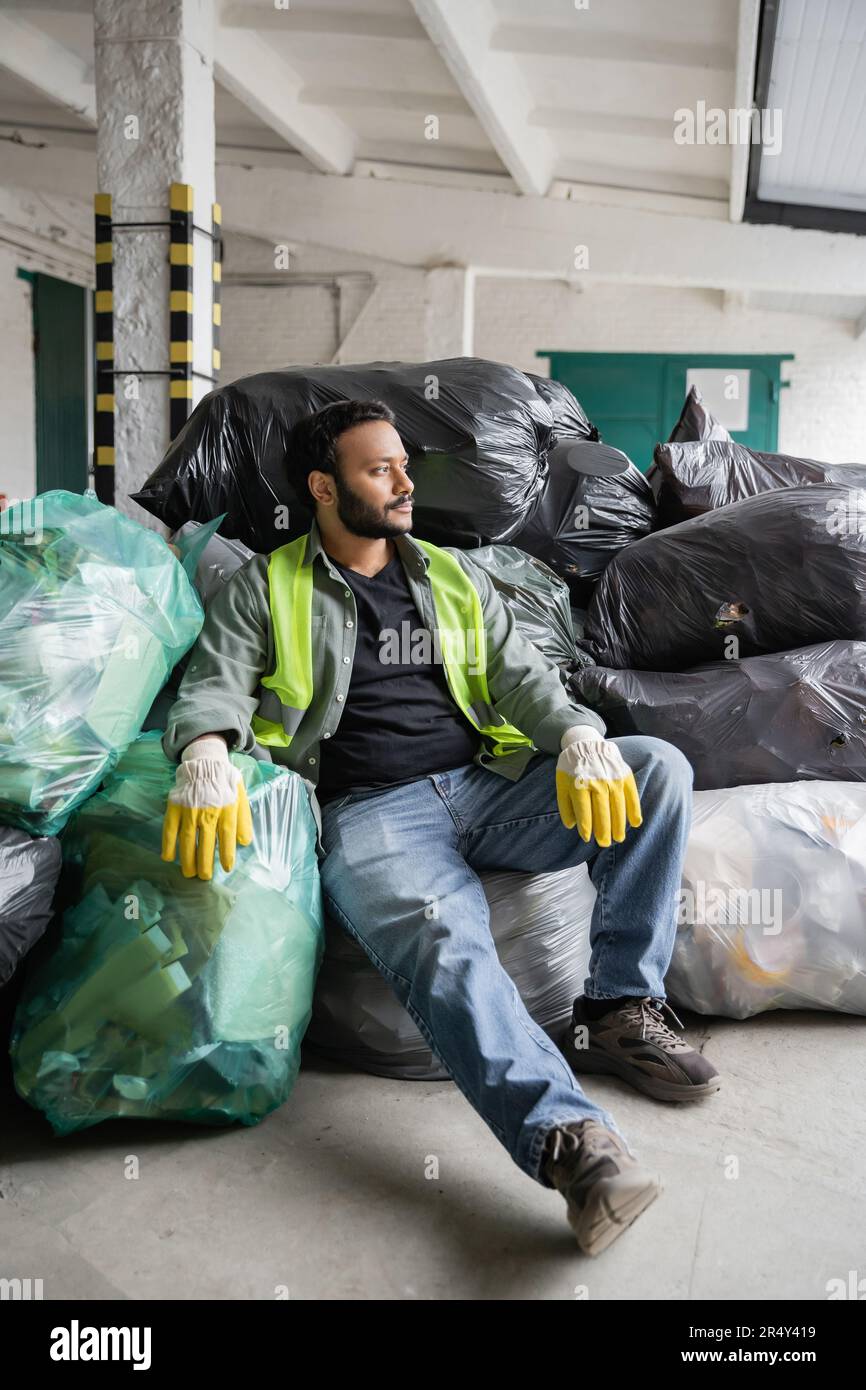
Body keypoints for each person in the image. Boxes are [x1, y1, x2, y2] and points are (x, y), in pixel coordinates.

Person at [161, 399, 720, 1256]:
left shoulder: (453, 576)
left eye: (402, 464)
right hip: (371, 814)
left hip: (487, 784)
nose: (403, 480)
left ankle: (617, 1006)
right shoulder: (264, 587)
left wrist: (576, 736)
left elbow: (523, 676)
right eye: (378, 467)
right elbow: (217, 686)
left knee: (658, 771)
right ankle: (574, 1147)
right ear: (322, 487)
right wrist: (202, 753)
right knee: (442, 935)